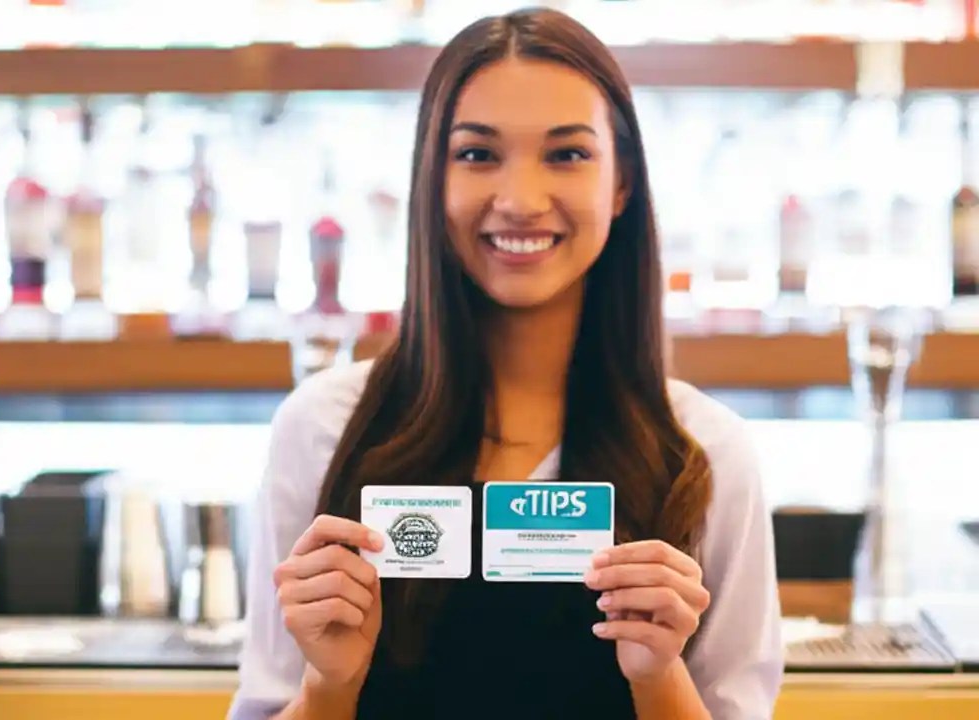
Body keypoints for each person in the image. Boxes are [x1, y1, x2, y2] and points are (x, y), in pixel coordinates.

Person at [229, 8, 783, 720]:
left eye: (568, 155)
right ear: (432, 181)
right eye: (477, 155)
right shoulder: (323, 428)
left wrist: (660, 678)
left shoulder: (708, 454)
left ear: (622, 187)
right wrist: (328, 686)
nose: (519, 200)